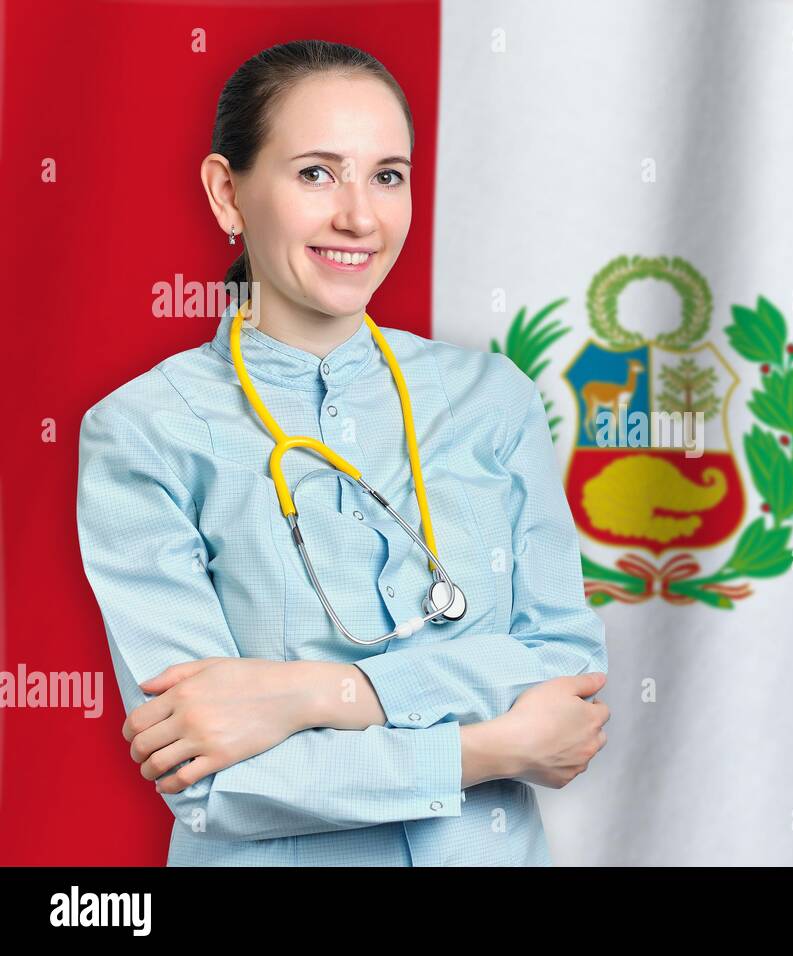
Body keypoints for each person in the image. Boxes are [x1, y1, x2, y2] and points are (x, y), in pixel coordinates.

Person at [75, 39, 610, 866]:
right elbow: (216, 782)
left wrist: (307, 695)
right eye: (317, 173)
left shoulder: (493, 400)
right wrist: (492, 748)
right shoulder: (145, 430)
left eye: (386, 175)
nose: (360, 217)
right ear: (228, 193)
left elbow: (564, 675)